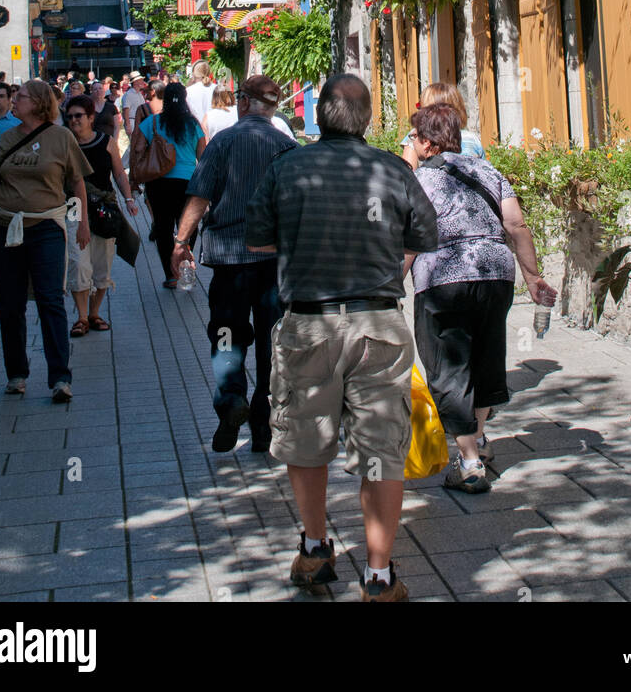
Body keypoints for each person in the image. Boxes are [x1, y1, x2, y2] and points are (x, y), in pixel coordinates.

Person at [245, 73, 438, 602]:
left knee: (306, 441)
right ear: (368, 119)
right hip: (379, 323)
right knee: (381, 450)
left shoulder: (287, 167)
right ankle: (378, 576)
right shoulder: (394, 169)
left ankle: (314, 548)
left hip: (309, 322)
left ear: (318, 116)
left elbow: (257, 239)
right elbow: (424, 235)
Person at [409, 103, 557, 495]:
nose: (412, 144)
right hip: (494, 272)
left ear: (426, 142)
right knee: (485, 356)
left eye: (414, 137)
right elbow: (516, 225)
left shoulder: (419, 180)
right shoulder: (489, 171)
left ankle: (470, 462)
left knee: (447, 364)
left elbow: (410, 238)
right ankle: (479, 438)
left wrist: (390, 283)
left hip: (443, 277)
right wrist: (533, 277)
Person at [173, 77, 297, 454]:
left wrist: (181, 242)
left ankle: (231, 399)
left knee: (226, 334)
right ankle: (263, 423)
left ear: (243, 102)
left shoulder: (222, 142)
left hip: (229, 260)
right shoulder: (288, 148)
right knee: (271, 341)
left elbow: (200, 193)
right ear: (273, 107)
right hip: (274, 262)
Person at [0, 79, 92, 404]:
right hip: (6, 227)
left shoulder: (61, 137)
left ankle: (60, 377)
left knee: (50, 300)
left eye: (19, 97)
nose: (13, 101)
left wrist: (83, 223)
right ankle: (16, 373)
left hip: (46, 226)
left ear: (37, 103)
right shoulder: (4, 139)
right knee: (9, 303)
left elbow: (77, 182)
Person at [63, 95, 137, 336]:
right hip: (73, 207)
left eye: (78, 116)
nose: (73, 120)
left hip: (104, 207)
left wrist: (128, 199)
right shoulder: (64, 143)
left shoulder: (106, 141)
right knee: (78, 262)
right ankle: (82, 317)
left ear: (91, 118)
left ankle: (94, 313)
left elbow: (118, 173)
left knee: (101, 264)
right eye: (70, 116)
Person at [138, 82, 205, 288]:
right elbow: (202, 156)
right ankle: (184, 262)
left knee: (163, 227)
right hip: (187, 183)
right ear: (184, 99)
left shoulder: (152, 123)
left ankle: (171, 275)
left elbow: (138, 150)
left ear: (164, 99)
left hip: (158, 183)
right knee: (187, 227)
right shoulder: (193, 125)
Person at [402, 82, 484, 170]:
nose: (418, 111)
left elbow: (406, 174)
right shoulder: (472, 138)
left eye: (420, 106)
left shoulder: (416, 136)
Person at [185, 60, 216, 124]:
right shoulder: (217, 88)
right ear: (209, 72)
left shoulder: (188, 91)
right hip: (215, 128)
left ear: (194, 73)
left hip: (197, 129)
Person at [120, 74, 147, 143]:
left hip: (139, 122)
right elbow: (126, 110)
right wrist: (128, 125)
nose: (142, 82)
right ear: (135, 82)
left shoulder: (139, 94)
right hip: (132, 122)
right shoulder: (128, 94)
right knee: (135, 144)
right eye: (140, 80)